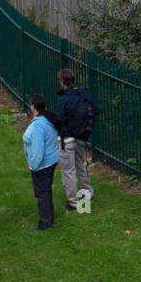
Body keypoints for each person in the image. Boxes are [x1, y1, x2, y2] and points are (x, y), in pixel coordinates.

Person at [55, 68, 98, 211]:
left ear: (61, 82)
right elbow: (96, 110)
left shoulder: (63, 99)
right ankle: (88, 191)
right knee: (81, 164)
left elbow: (59, 119)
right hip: (81, 136)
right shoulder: (84, 94)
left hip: (66, 138)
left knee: (68, 170)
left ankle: (73, 202)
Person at [23, 94, 61, 230]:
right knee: (46, 190)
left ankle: (45, 223)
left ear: (33, 107)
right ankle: (50, 219)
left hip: (42, 165)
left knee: (42, 193)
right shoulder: (48, 119)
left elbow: (38, 149)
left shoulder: (39, 125)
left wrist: (33, 166)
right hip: (51, 161)